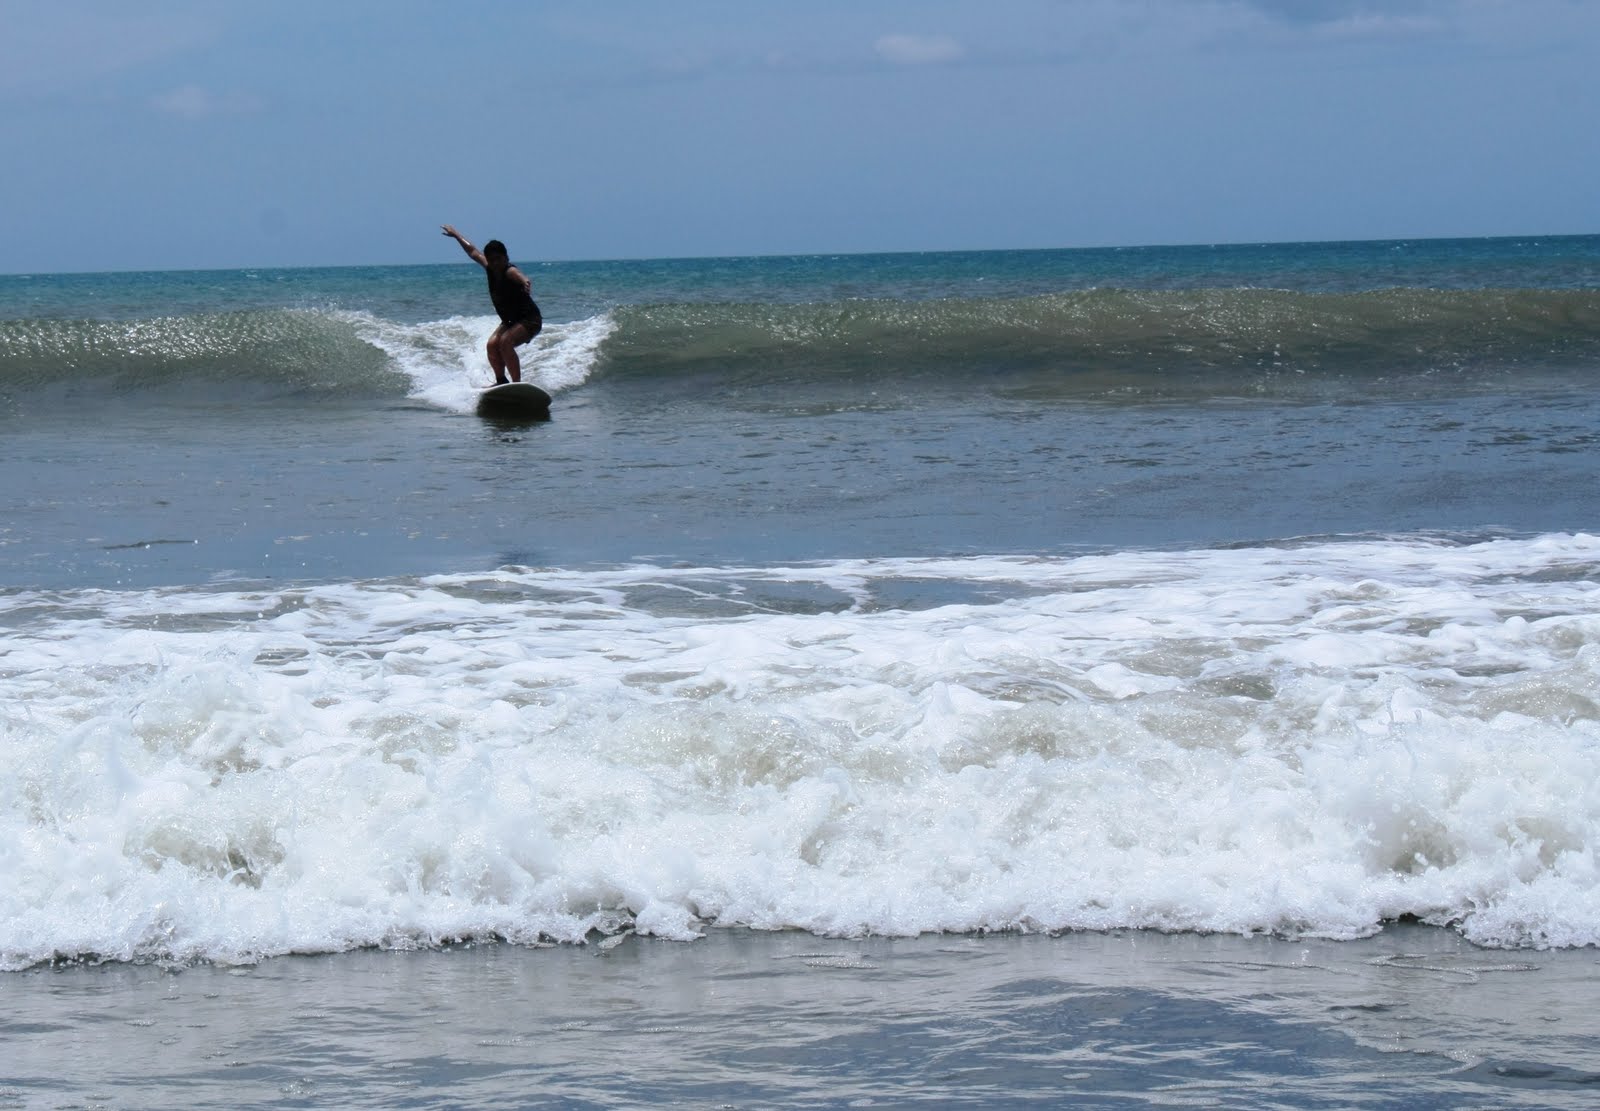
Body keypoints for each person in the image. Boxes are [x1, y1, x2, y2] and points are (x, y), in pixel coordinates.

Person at [441, 225, 543, 385]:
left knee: (505, 342)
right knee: (491, 345)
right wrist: (456, 235)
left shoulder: (509, 271)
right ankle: (501, 381)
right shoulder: (489, 268)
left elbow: (521, 276)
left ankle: (517, 384)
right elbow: (473, 251)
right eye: (492, 259)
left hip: (530, 320)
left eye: (499, 259)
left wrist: (525, 282)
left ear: (506, 258)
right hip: (510, 321)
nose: (496, 263)